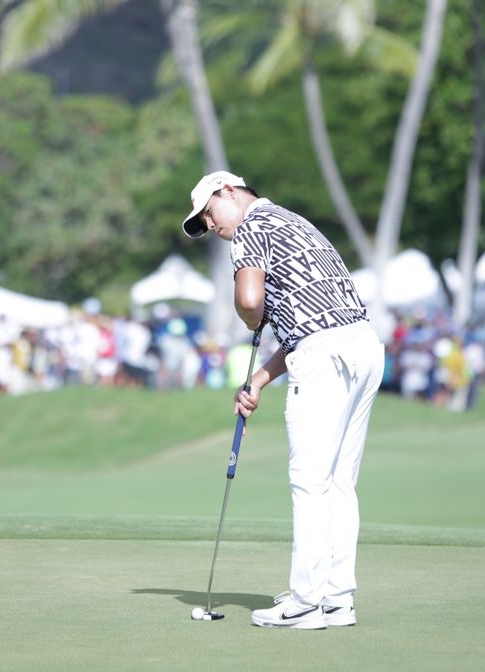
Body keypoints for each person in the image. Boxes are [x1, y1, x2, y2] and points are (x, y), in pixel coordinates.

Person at [182, 170, 383, 630]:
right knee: (337, 482)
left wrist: (251, 315)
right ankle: (336, 599)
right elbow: (311, 323)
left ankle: (306, 601)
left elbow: (251, 301)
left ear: (228, 192)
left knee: (309, 481)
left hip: (325, 355)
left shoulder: (250, 228)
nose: (211, 226)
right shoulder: (294, 221)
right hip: (364, 347)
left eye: (209, 214)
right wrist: (259, 379)